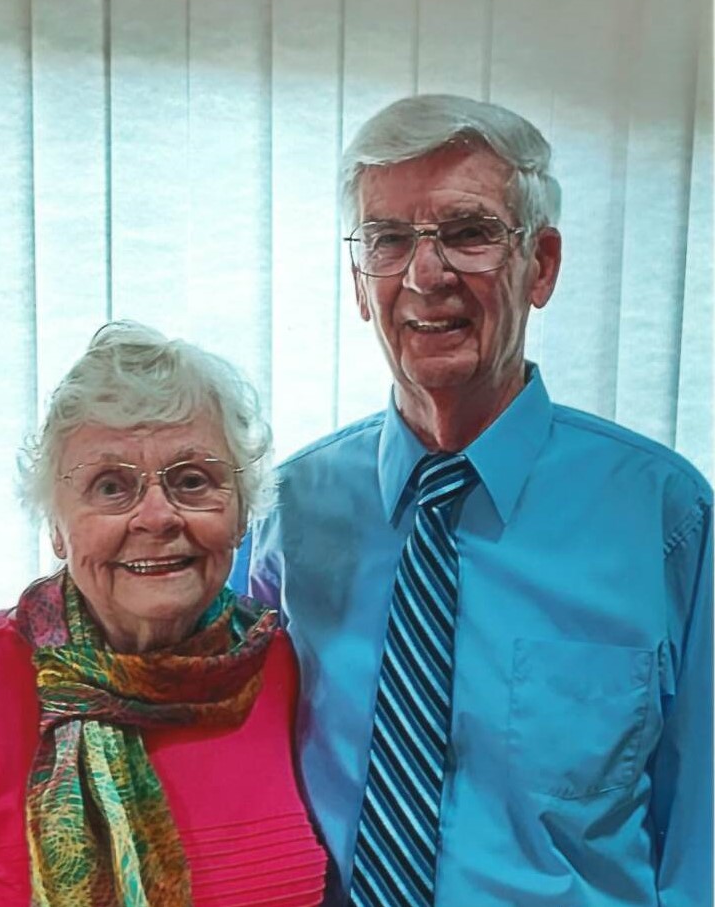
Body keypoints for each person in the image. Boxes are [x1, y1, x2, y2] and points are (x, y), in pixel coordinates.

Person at [238, 94, 713, 906]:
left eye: (468, 233)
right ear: (360, 281)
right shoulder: (289, 511)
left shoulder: (666, 521)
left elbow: (702, 843)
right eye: (388, 241)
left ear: (543, 264)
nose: (427, 275)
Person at [0, 321, 327, 907]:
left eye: (193, 480)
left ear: (243, 514)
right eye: (112, 488)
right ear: (56, 527)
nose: (157, 517)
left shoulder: (282, 671)